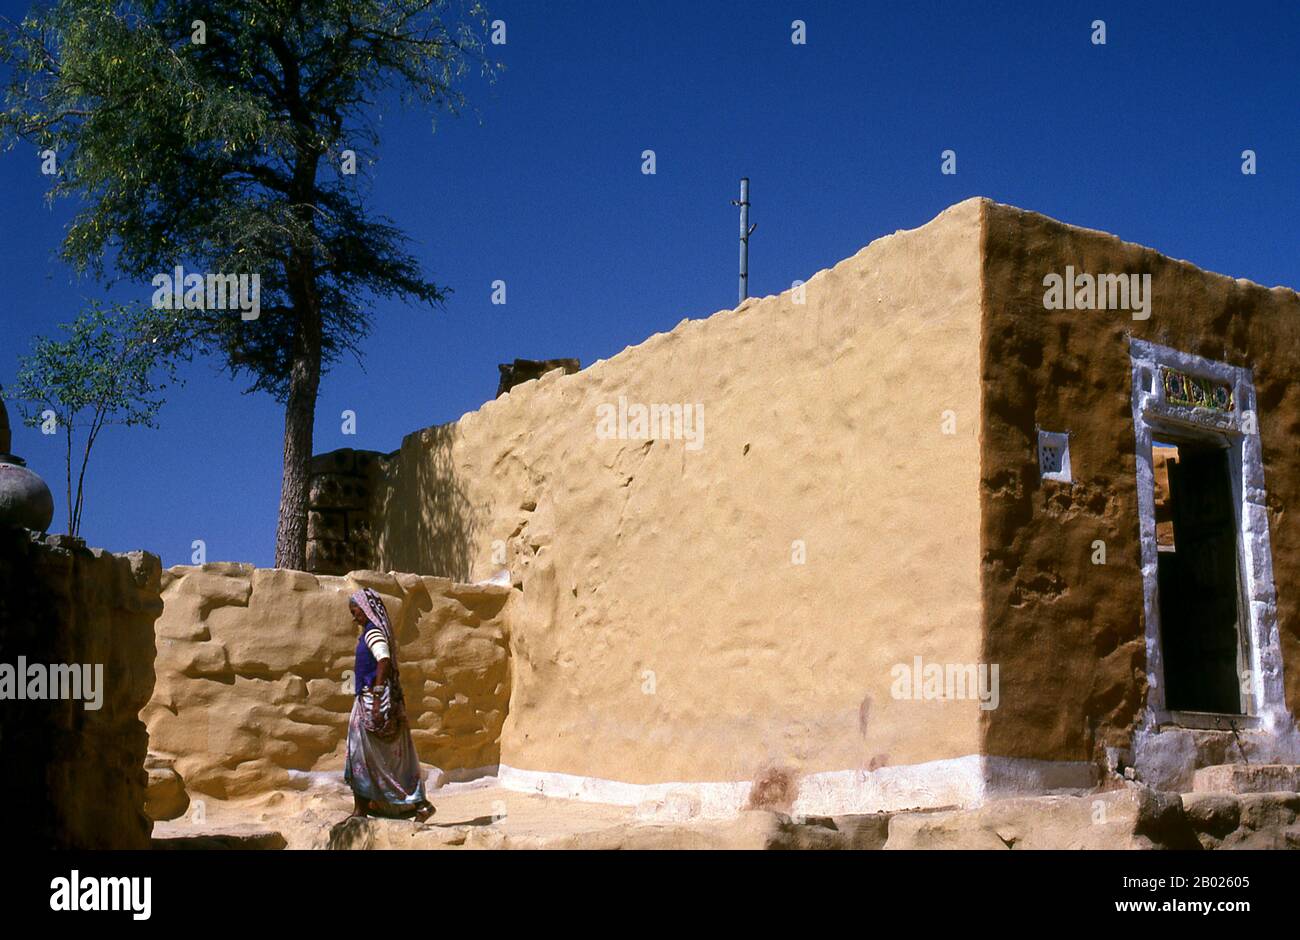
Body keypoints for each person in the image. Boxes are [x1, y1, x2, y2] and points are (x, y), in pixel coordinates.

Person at [343, 587, 434, 822]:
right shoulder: (369, 633)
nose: (355, 617)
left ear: (367, 610)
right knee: (381, 759)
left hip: (372, 701)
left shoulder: (373, 634)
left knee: (359, 755)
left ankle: (363, 810)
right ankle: (414, 805)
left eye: (357, 611)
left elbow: (383, 660)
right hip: (371, 699)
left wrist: (377, 691)